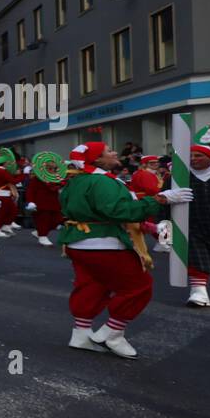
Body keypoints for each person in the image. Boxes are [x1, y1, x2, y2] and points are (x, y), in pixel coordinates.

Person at [58, 142, 191, 357]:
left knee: (92, 285)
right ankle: (113, 332)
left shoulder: (78, 180)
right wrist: (160, 199)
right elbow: (118, 210)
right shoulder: (101, 181)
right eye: (109, 150)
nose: (114, 152)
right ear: (98, 160)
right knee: (138, 286)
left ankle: (81, 333)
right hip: (103, 243)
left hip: (77, 242)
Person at [183, 126, 210, 307]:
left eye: (198, 156)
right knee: (197, 259)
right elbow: (164, 204)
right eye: (191, 156)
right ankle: (198, 292)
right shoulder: (179, 177)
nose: (193, 159)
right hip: (194, 227)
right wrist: (164, 234)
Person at [25, 169, 64, 247]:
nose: (53, 167)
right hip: (41, 202)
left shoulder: (57, 177)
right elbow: (30, 190)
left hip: (54, 202)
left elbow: (57, 186)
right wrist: (31, 201)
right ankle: (42, 236)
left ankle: (39, 232)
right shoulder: (38, 177)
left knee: (57, 220)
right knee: (43, 220)